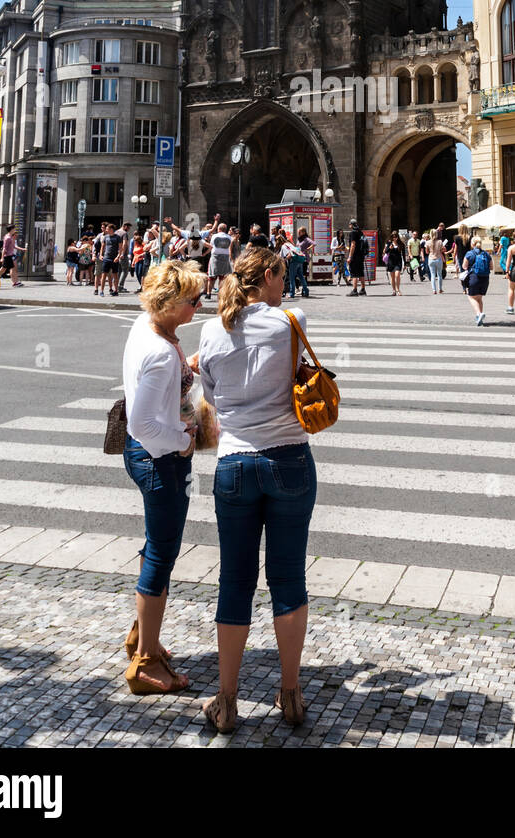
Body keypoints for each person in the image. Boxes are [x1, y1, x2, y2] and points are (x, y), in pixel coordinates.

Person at [197, 247, 318, 732]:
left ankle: (226, 701)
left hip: (235, 465)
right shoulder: (291, 320)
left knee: (235, 581)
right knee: (288, 579)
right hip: (289, 459)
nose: (284, 284)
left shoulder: (210, 330)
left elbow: (208, 396)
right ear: (266, 276)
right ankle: (290, 693)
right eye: (281, 275)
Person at [121, 260, 204, 695]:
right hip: (160, 461)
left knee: (156, 546)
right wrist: (183, 438)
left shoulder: (148, 327)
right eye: (193, 300)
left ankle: (142, 634)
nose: (199, 305)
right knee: (162, 554)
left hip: (150, 458)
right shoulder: (157, 352)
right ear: (171, 304)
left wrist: (188, 365)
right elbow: (141, 422)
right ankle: (145, 664)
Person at [462, 236, 491, 325]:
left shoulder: (469, 253)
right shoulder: (486, 254)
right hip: (485, 279)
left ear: (472, 244)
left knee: (471, 297)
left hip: (474, 277)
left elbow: (464, 266)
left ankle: (479, 314)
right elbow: (492, 267)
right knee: (479, 298)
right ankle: (479, 318)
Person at [207, 222, 235, 299]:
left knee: (212, 276)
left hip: (215, 257)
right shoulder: (229, 237)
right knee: (222, 277)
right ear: (225, 230)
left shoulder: (214, 236)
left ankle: (208, 293)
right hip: (225, 257)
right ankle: (220, 293)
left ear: (218, 229)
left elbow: (211, 245)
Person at [346, 218, 367, 296]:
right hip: (361, 255)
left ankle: (354, 290)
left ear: (351, 225)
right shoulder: (360, 232)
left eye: (349, 224)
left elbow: (353, 245)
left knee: (354, 272)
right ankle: (363, 289)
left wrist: (350, 257)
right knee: (361, 272)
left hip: (355, 255)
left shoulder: (353, 233)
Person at [427, 228, 446, 294]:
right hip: (438, 258)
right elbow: (442, 250)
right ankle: (440, 289)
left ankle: (434, 290)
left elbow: (427, 252)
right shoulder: (440, 242)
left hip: (431, 259)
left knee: (432, 275)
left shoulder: (428, 242)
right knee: (439, 275)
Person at [385, 230, 404, 296]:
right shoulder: (389, 243)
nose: (394, 238)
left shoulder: (401, 244)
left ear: (397, 237)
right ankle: (394, 290)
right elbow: (386, 252)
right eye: (393, 237)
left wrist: (406, 264)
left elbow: (403, 254)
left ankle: (398, 289)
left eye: (395, 237)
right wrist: (390, 248)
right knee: (392, 277)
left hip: (398, 262)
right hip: (391, 262)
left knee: (397, 275)